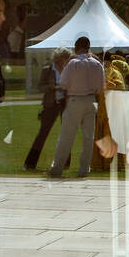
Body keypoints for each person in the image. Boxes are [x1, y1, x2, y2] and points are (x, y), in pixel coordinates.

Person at [49, 36, 105, 179]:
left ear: (76, 48)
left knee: (66, 136)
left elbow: (63, 84)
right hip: (91, 100)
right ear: (88, 47)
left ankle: (57, 168)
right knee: (88, 137)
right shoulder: (97, 64)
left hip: (75, 99)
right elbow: (101, 87)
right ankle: (84, 169)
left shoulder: (72, 63)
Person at [24, 48, 71, 171]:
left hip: (65, 103)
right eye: (65, 57)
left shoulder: (69, 69)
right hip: (50, 104)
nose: (67, 60)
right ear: (58, 58)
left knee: (66, 134)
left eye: (68, 58)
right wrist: (53, 87)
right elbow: (41, 87)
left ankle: (65, 163)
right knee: (42, 134)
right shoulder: (47, 69)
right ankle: (30, 163)